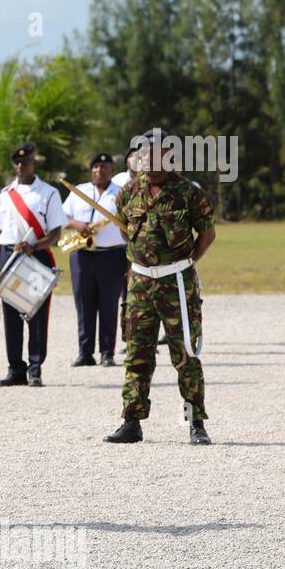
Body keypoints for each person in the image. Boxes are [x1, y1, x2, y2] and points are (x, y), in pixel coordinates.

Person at [104, 129, 215, 445]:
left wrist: (186, 262)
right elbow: (127, 233)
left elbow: (207, 233)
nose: (149, 161)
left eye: (157, 155)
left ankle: (196, 421)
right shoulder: (128, 192)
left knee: (186, 353)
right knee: (137, 353)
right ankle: (131, 422)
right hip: (140, 284)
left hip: (177, 283)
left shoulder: (188, 193)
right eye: (145, 155)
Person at [0, 142, 65, 386]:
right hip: (8, 256)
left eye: (26, 162)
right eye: (18, 162)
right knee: (11, 316)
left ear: (34, 163)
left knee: (36, 314)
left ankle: (35, 369)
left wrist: (34, 246)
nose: (21, 166)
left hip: (35, 255)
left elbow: (55, 234)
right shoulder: (4, 194)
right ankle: (15, 369)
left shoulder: (49, 193)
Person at [63, 153, 125, 367]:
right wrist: (78, 225)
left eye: (105, 166)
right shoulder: (79, 191)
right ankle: (85, 352)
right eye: (96, 167)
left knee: (108, 304)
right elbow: (63, 216)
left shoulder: (121, 193)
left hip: (112, 255)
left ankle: (107, 352)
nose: (100, 170)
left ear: (112, 171)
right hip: (82, 254)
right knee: (84, 303)